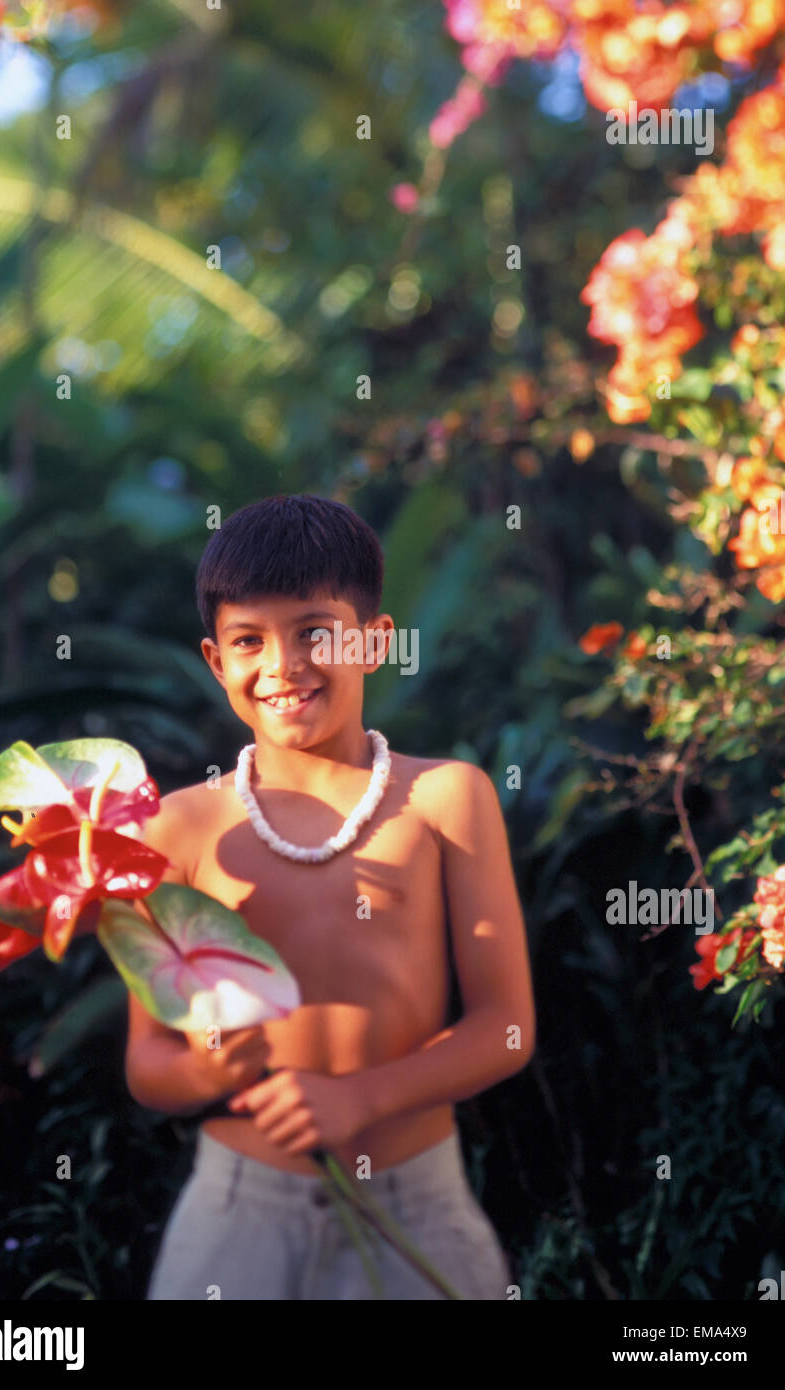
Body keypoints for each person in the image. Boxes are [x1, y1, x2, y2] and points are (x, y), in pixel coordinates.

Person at [125, 493, 536, 1300]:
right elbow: (148, 1062)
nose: (282, 667)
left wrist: (359, 1098)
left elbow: (507, 1027)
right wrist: (211, 1071)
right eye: (249, 641)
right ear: (217, 661)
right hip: (236, 1217)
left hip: (415, 1208)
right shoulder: (176, 828)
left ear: (374, 641)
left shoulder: (448, 799)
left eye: (314, 631)